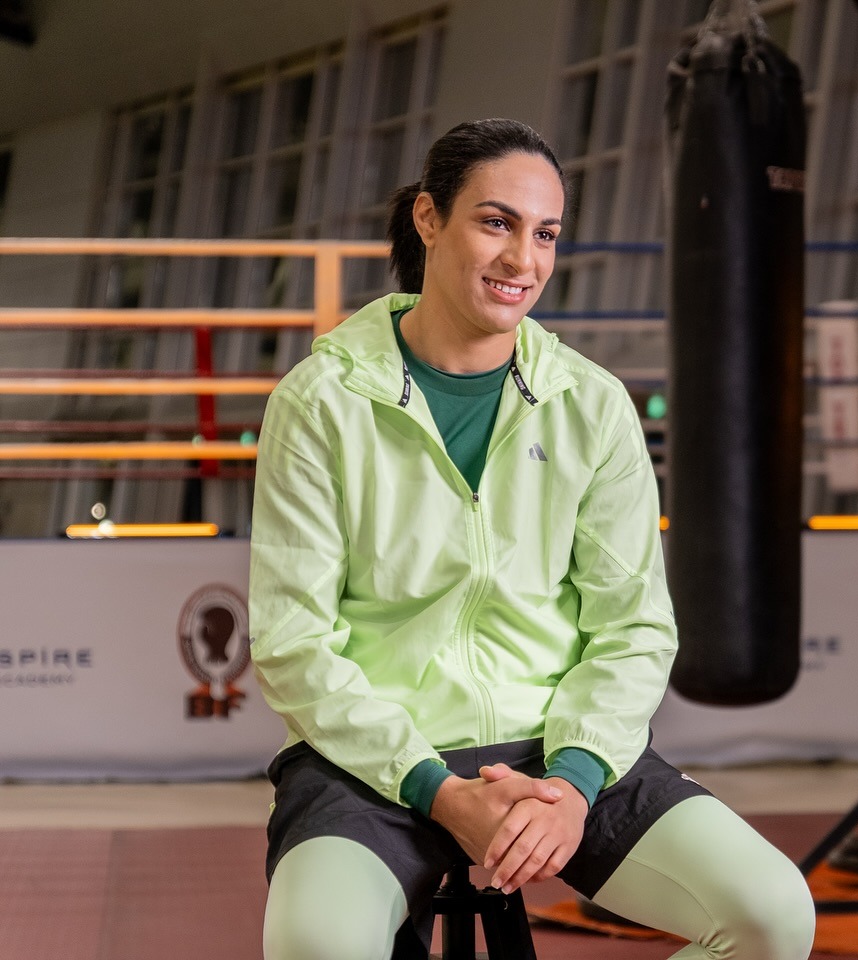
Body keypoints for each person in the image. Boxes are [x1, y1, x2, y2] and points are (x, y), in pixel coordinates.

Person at [248, 118, 815, 960]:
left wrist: (573, 784)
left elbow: (633, 628)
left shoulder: (590, 404)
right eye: (496, 222)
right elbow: (292, 640)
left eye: (545, 233)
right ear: (429, 220)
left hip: (563, 750)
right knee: (315, 946)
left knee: (773, 917)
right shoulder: (320, 401)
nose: (524, 260)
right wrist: (436, 789)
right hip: (373, 764)